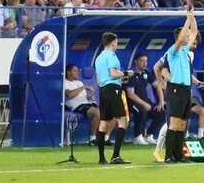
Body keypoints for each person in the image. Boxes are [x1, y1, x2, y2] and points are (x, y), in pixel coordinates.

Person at [155, 5, 201, 163]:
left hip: (186, 89)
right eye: (185, 35)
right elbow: (183, 37)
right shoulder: (172, 51)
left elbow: (194, 32)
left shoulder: (185, 51)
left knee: (182, 123)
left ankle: (178, 155)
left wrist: (192, 17)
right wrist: (187, 20)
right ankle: (168, 156)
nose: (189, 37)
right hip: (175, 89)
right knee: (173, 123)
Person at [95, 31, 132, 164]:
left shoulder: (98, 57)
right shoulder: (111, 55)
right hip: (113, 89)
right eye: (116, 42)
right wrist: (127, 73)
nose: (117, 45)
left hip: (103, 89)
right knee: (123, 121)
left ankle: (101, 158)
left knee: (104, 123)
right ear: (112, 43)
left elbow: (99, 78)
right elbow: (113, 73)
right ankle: (116, 156)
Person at [125, 53, 163, 145]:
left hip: (144, 100)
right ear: (136, 62)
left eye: (146, 61)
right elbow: (131, 95)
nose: (144, 63)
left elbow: (157, 86)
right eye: (142, 61)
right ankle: (137, 136)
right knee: (141, 111)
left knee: (161, 113)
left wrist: (161, 102)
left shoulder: (147, 73)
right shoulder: (131, 74)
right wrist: (144, 104)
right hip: (131, 103)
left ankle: (149, 135)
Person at [63, 64, 99, 144]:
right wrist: (84, 87)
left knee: (108, 111)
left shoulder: (79, 82)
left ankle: (105, 138)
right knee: (96, 112)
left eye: (78, 70)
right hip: (77, 105)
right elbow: (70, 94)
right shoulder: (64, 83)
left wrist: (90, 97)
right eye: (75, 71)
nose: (78, 72)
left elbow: (85, 97)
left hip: (87, 103)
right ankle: (92, 138)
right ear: (68, 72)